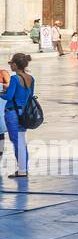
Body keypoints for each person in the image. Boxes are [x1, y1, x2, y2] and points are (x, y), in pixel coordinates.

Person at [1, 52, 35, 180]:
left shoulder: (15, 79)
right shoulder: (31, 78)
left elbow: (9, 96)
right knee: (21, 140)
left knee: (16, 141)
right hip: (24, 112)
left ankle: (21, 170)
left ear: (15, 65)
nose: (10, 66)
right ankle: (23, 168)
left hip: (12, 113)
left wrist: (1, 93)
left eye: (11, 64)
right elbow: (30, 95)